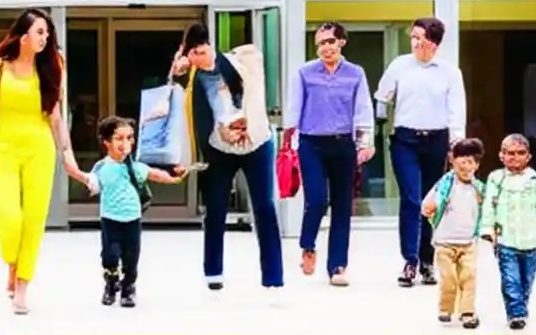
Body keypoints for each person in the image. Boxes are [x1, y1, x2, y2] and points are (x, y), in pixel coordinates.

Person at [0, 8, 80, 315]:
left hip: (39, 150)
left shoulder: (53, 66)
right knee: (9, 217)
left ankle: (22, 287)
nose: (45, 38)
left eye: (47, 33)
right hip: (5, 148)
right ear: (23, 36)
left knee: (33, 221)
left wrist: (67, 154)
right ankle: (11, 260)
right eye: (39, 32)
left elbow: (55, 115)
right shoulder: (1, 69)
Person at [169, 22, 283, 292]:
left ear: (210, 46)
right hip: (220, 149)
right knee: (215, 209)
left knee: (264, 207)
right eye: (193, 54)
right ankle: (213, 272)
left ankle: (273, 276)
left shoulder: (239, 63)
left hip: (256, 143)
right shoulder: (194, 78)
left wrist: (240, 126)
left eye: (202, 51)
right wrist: (177, 71)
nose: (200, 58)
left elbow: (253, 62)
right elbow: (174, 101)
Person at [373, 16, 467, 288]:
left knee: (430, 202)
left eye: (420, 38)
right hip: (405, 140)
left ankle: (427, 260)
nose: (415, 43)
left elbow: (456, 110)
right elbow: (382, 96)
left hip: (436, 141)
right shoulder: (400, 65)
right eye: (412, 37)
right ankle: (410, 260)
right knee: (412, 198)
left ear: (434, 43)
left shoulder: (449, 72)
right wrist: (378, 126)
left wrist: (456, 144)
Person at [282, 22, 375, 287]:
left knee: (343, 207)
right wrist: (289, 143)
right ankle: (307, 245)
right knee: (317, 200)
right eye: (321, 43)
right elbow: (294, 109)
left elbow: (363, 110)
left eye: (330, 42)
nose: (326, 48)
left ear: (341, 43)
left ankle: (337, 266)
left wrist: (364, 144)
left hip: (343, 144)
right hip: (311, 144)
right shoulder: (305, 73)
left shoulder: (355, 74)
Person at [82, 116, 187, 308]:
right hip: (110, 220)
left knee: (132, 257)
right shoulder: (102, 167)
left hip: (132, 220)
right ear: (106, 142)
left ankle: (128, 288)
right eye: (119, 138)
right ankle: (111, 283)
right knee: (110, 256)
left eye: (129, 138)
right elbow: (91, 184)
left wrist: (175, 177)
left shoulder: (135, 167)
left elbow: (156, 174)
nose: (125, 143)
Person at [480, 133, 536, 330]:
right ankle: (516, 314)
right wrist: (487, 229)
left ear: (528, 156)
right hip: (505, 239)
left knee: (526, 279)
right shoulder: (496, 179)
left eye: (520, 153)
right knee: (510, 278)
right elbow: (489, 205)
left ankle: (521, 306)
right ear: (501, 155)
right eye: (510, 153)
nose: (515, 157)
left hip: (529, 239)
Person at [421, 138, 485, 329]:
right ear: (453, 160)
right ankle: (446, 308)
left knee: (469, 277)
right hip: (445, 243)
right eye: (462, 160)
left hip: (468, 242)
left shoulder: (479, 188)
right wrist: (430, 207)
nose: (466, 165)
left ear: (477, 164)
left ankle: (467, 312)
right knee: (449, 278)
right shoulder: (445, 185)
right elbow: (428, 204)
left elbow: (487, 208)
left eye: (471, 161)